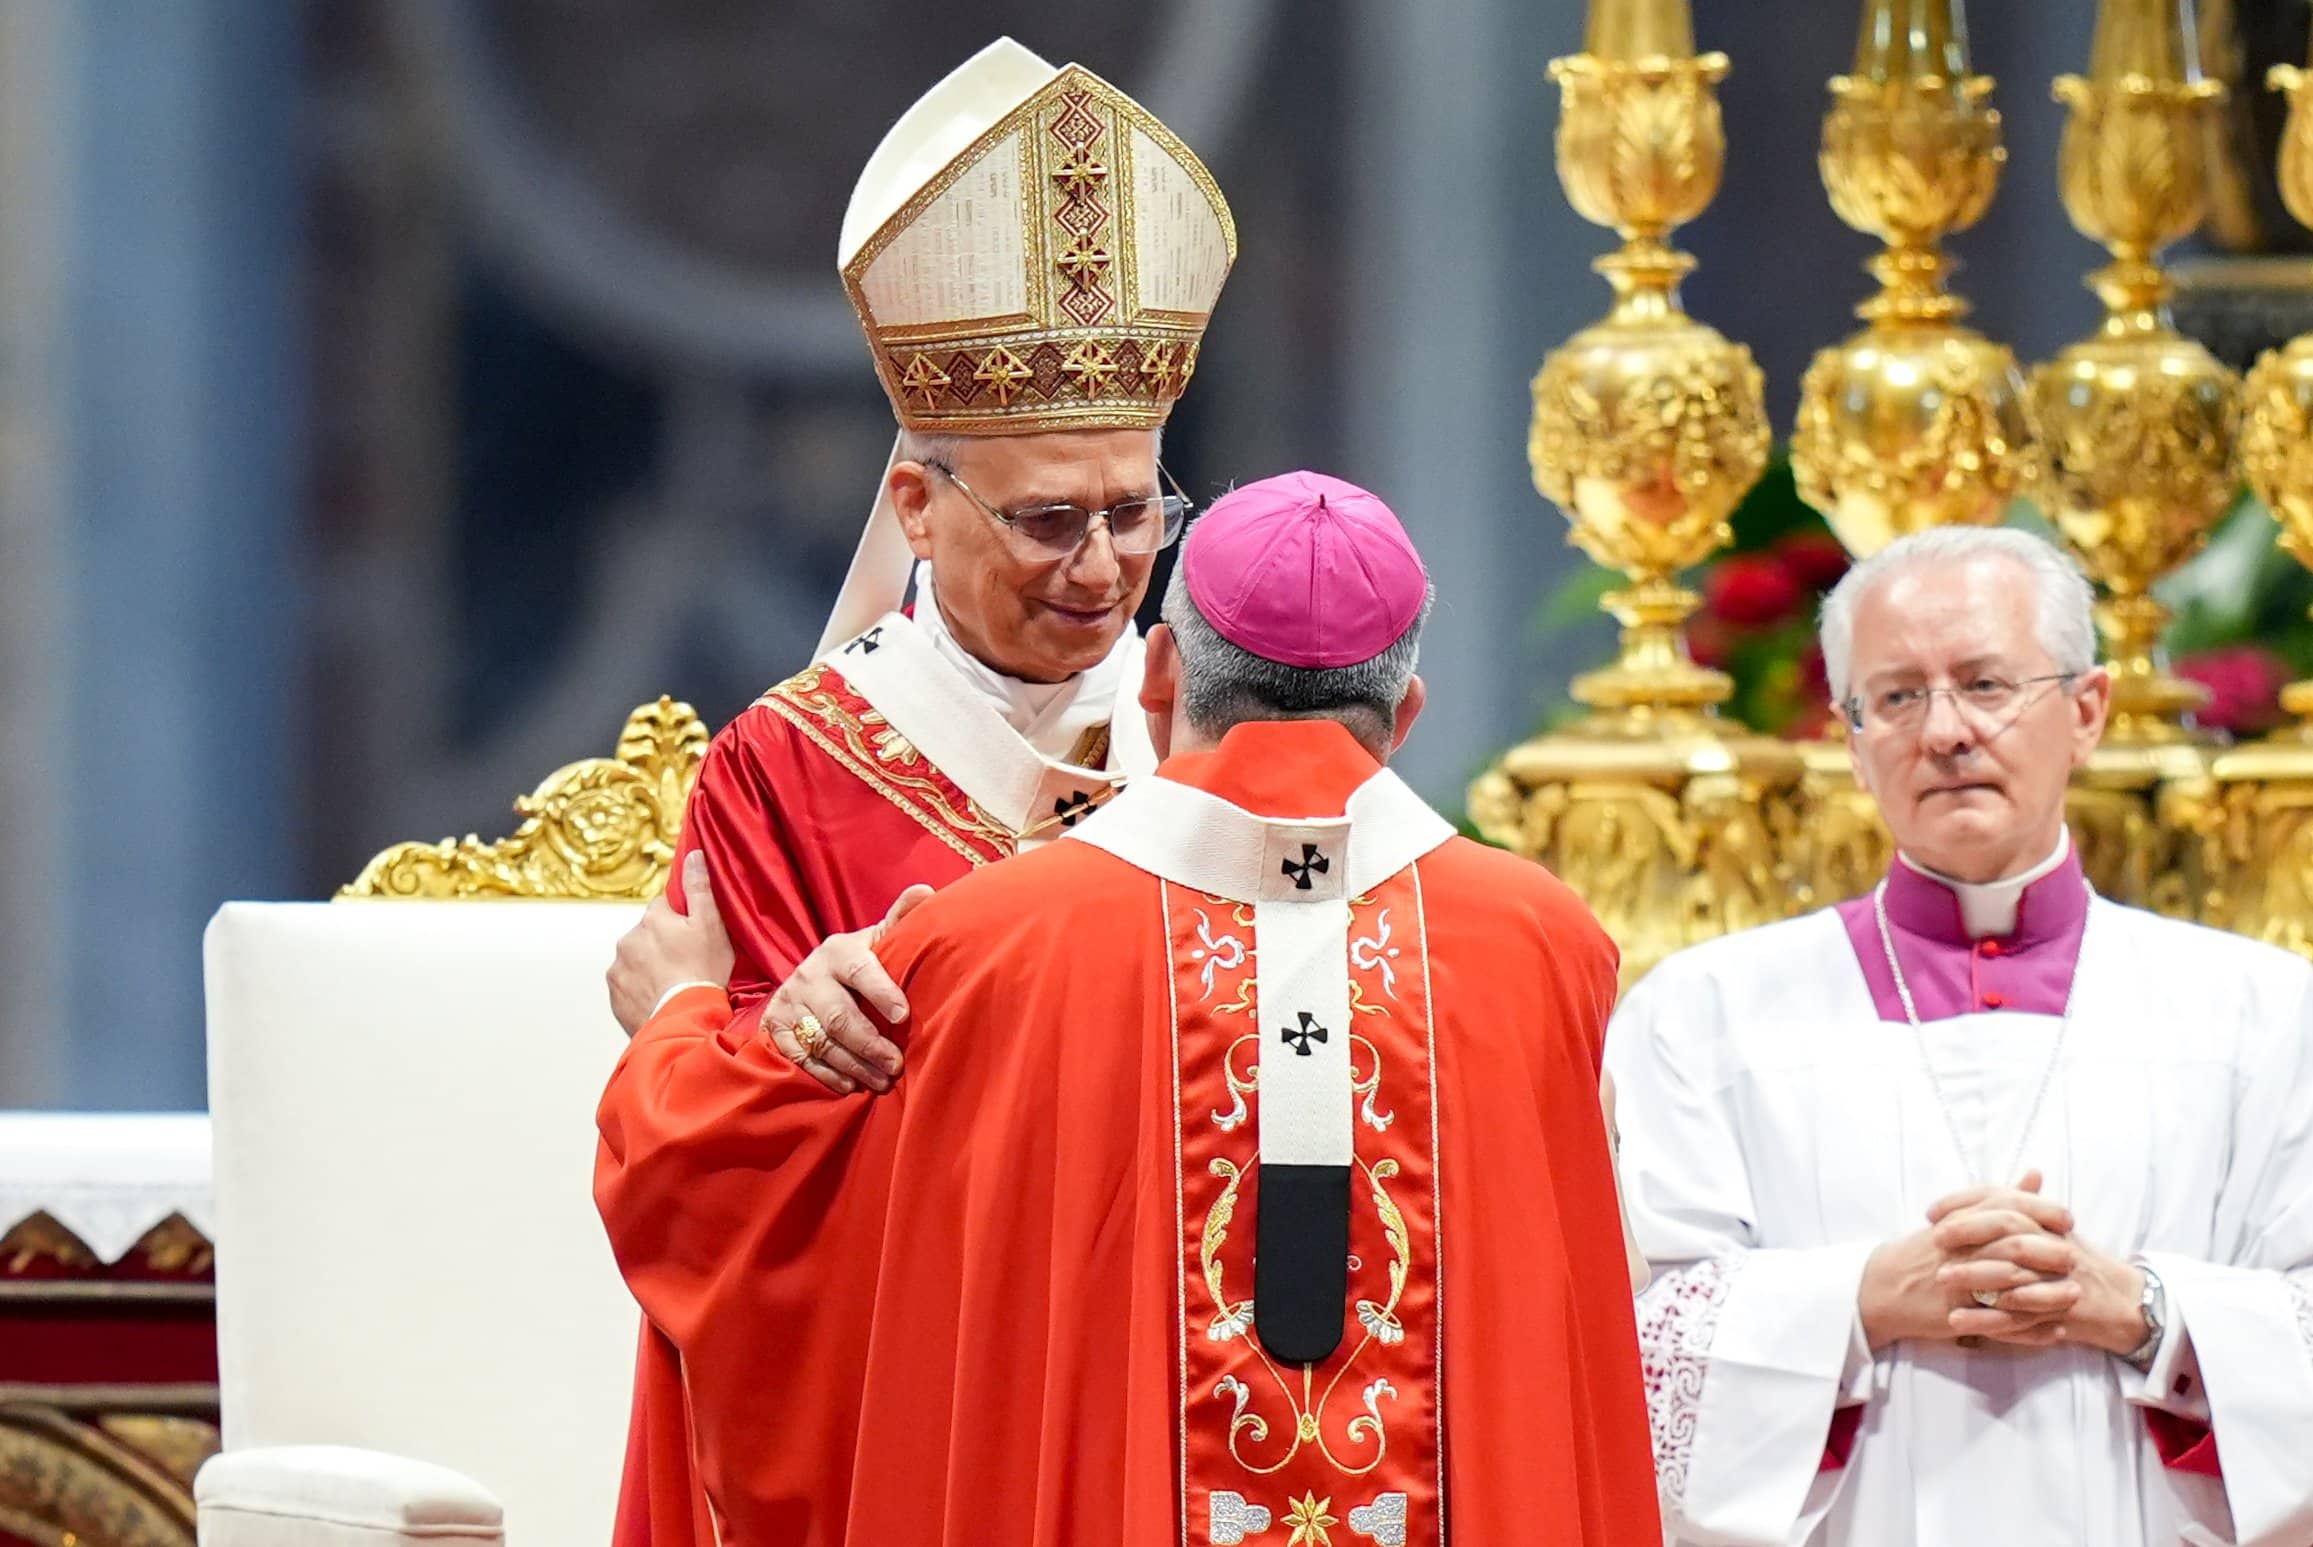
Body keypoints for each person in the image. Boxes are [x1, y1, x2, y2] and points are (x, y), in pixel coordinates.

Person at [596, 472, 1662, 1545]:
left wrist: (680, 1015)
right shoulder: (1547, 949)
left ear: (1157, 675)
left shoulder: (982, 945)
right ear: (1405, 714)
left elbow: (738, 1210)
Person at [602, 38, 1237, 1547]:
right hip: (907, 1398)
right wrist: (785, 1040)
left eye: (1134, 511)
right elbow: (725, 1169)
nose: (1099, 570)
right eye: (1042, 520)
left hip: (1188, 1374)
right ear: (913, 502)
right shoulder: (791, 765)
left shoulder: (1211, 736)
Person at [1607, 525, 2313, 1547]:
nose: (1944, 730)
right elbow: (1635, 1355)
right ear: (1851, 740)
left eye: (1986, 684)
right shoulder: (1702, 1012)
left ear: (2086, 710)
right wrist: (1861, 1298)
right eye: (1896, 696)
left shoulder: (2265, 1010)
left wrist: (2143, 1307)